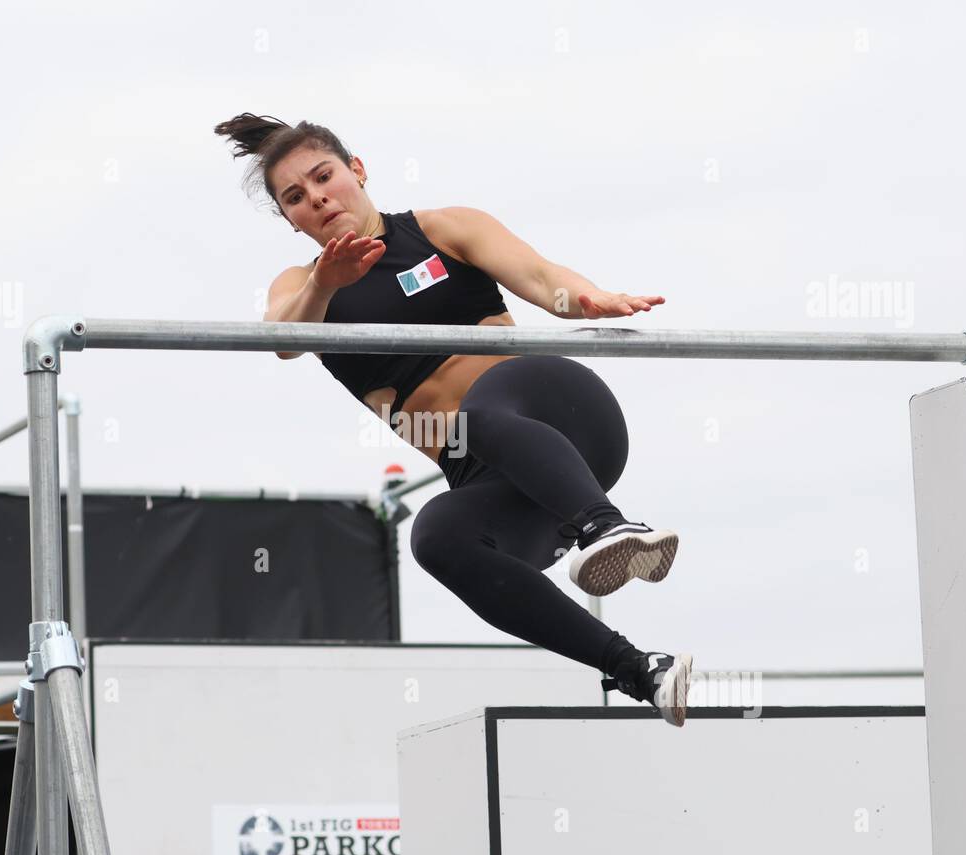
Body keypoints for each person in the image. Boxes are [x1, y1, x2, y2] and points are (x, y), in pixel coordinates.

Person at [214, 113, 693, 726]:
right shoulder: (303, 287)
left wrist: (587, 298)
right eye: (296, 198)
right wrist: (327, 286)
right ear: (291, 220)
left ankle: (609, 527)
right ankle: (641, 671)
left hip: (561, 416)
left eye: (324, 177)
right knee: (437, 538)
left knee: (481, 414)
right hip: (498, 482)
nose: (318, 198)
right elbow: (281, 340)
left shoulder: (441, 228)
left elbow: (544, 280)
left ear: (357, 171)